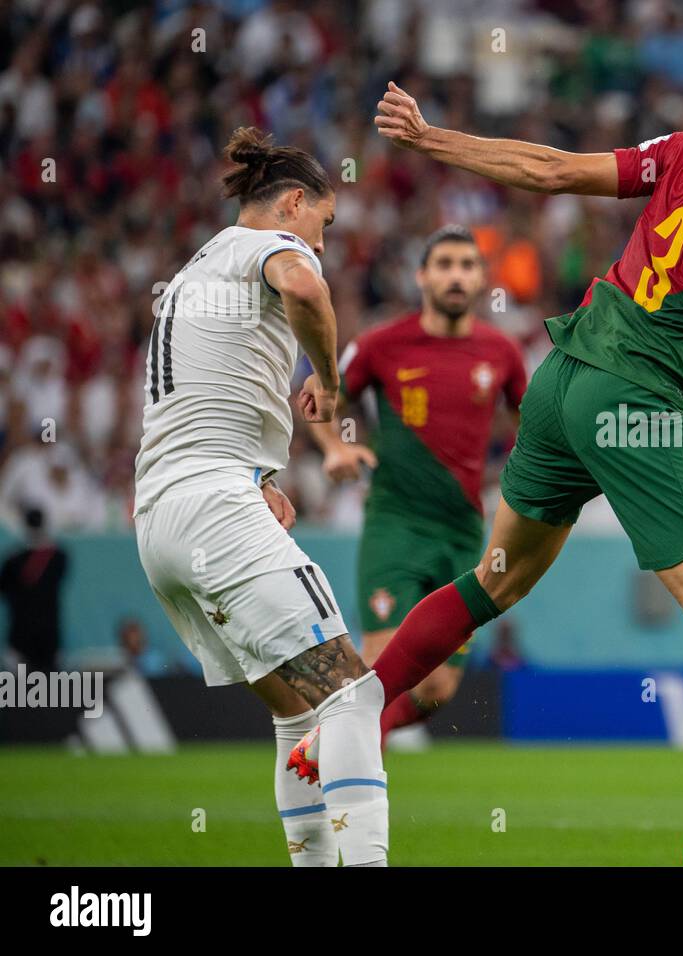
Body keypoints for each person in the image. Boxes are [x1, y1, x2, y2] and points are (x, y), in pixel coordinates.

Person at [307, 74, 683, 866]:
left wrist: (431, 138)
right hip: (633, 396)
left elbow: (550, 170)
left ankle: (345, 719)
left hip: (559, 378)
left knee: (496, 580)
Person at [132, 128, 387, 866]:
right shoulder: (272, 250)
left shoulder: (195, 269)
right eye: (326, 225)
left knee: (300, 715)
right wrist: (331, 383)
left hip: (162, 517)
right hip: (213, 505)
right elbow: (306, 287)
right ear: (296, 204)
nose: (323, 244)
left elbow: (210, 392)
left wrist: (260, 476)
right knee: (352, 697)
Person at [306, 225, 526, 746]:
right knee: (382, 671)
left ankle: (334, 741)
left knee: (437, 688)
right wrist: (336, 448)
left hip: (463, 531)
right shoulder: (382, 344)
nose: (456, 275)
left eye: (467, 265)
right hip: (395, 527)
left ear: (481, 279)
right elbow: (318, 393)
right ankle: (344, 779)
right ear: (421, 275)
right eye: (445, 264)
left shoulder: (502, 353)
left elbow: (536, 424)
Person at [0, 507, 67, 673]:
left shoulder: (13, 561)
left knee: (17, 692)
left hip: (21, 635)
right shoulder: (59, 557)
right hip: (47, 635)